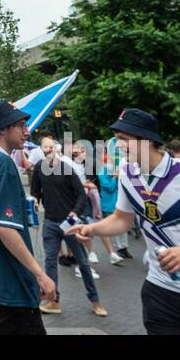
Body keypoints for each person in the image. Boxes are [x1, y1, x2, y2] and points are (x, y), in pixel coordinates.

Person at [69, 109, 180, 335]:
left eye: (123, 140)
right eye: (116, 140)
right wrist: (91, 228)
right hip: (160, 290)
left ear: (146, 140)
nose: (117, 146)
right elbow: (122, 219)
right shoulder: (126, 173)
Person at [0, 100, 57, 335]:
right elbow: (3, 227)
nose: (27, 131)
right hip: (13, 290)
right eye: (21, 125)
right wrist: (40, 274)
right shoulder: (2, 163)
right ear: (4, 128)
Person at [30, 135, 106, 317]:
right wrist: (35, 201)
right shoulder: (39, 168)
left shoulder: (66, 169)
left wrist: (75, 213)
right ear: (41, 150)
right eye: (45, 147)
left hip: (69, 223)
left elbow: (81, 194)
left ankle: (95, 301)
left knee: (83, 263)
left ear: (56, 149)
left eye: (51, 147)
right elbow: (35, 190)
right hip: (49, 222)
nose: (48, 150)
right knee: (49, 262)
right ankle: (53, 301)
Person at [96, 146, 129, 265]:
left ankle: (124, 248)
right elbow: (109, 187)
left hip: (118, 200)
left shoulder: (114, 168)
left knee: (123, 226)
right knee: (114, 227)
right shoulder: (101, 172)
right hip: (108, 203)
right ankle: (119, 249)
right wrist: (115, 177)